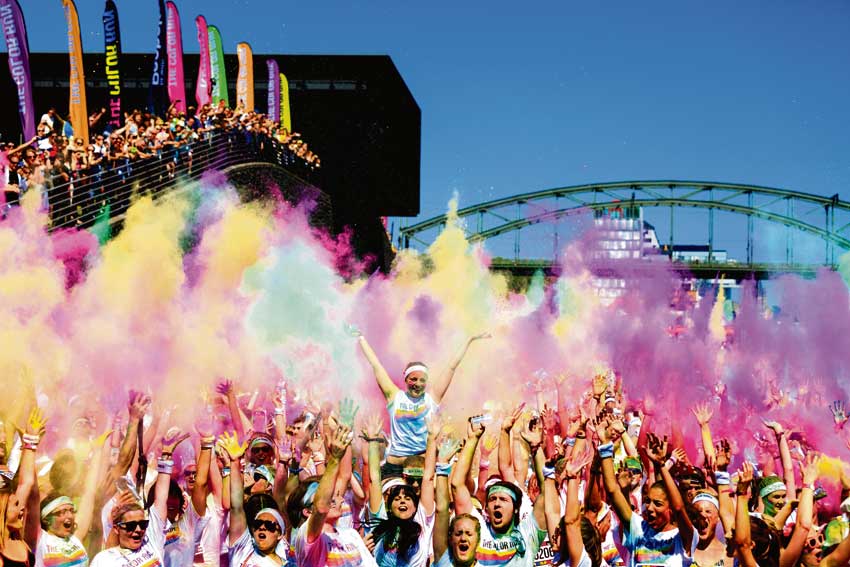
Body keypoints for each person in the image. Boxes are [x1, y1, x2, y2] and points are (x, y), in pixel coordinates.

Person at [355, 332, 490, 472]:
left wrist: (469, 339)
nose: (418, 384)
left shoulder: (431, 399)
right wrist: (361, 338)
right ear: (406, 379)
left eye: (422, 380)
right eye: (413, 379)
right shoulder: (395, 397)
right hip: (394, 465)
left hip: (422, 464)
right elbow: (376, 365)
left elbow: (451, 367)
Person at [90, 430, 189, 567]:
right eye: (131, 526)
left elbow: (161, 497)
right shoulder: (104, 560)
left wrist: (166, 455)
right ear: (117, 528)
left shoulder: (151, 539)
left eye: (142, 524)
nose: (138, 529)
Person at [293, 422, 377, 567]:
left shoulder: (351, 536)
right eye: (321, 494)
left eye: (331, 493)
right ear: (307, 511)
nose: (330, 498)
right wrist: (334, 459)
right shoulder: (307, 537)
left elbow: (344, 475)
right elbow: (321, 508)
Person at [363, 414, 436, 567]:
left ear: (416, 507)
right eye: (397, 498)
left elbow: (428, 478)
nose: (402, 500)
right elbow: (374, 479)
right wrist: (372, 441)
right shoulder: (381, 521)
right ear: (389, 505)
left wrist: (431, 438)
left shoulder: (423, 520)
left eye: (407, 498)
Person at [220, 431, 291, 567]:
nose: (262, 528)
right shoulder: (243, 547)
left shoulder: (283, 552)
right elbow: (236, 505)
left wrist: (282, 463)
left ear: (280, 534)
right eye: (257, 525)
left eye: (270, 526)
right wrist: (234, 462)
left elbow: (280, 498)